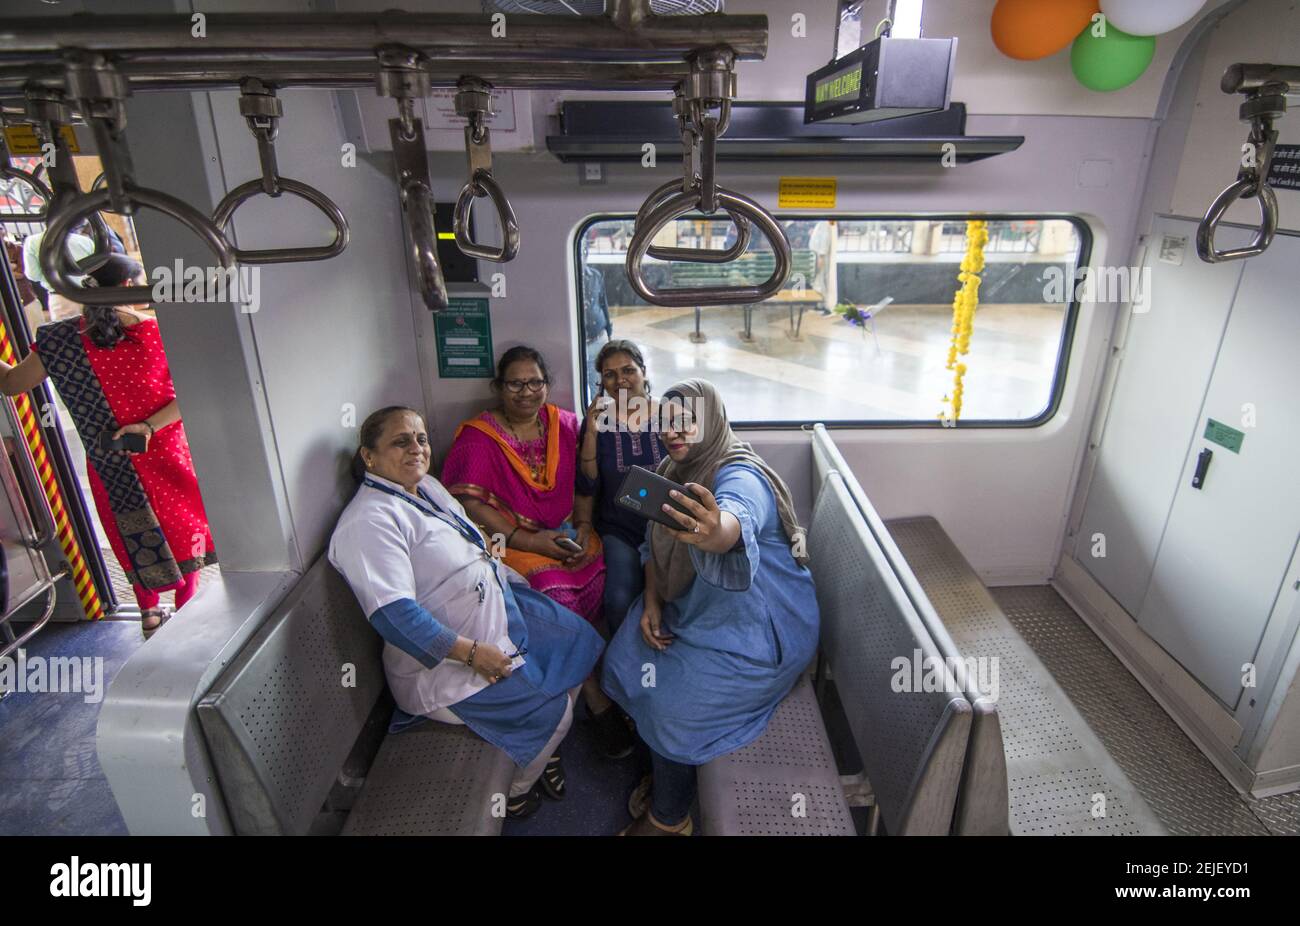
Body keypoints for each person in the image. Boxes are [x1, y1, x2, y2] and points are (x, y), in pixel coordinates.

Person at [330, 406, 603, 818]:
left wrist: (509, 576)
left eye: (420, 438)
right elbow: (394, 616)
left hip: (498, 607)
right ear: (369, 456)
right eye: (400, 441)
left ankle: (539, 751)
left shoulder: (429, 489)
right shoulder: (369, 521)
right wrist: (475, 654)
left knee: (578, 642)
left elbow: (471, 545)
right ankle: (517, 790)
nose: (416, 448)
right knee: (556, 712)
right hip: (451, 661)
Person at [601, 379, 819, 836]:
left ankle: (669, 817)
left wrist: (713, 531)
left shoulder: (741, 473)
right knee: (624, 656)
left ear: (712, 420)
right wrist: (654, 599)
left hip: (759, 628)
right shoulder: (671, 470)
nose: (673, 433)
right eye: (666, 424)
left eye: (686, 423)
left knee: (671, 709)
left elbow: (736, 518)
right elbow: (651, 545)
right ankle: (666, 768)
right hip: (696, 609)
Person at [0, 255, 215, 635]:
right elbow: (192, 393)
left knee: (127, 528)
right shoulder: (159, 333)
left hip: (109, 460)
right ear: (129, 287)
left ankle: (149, 614)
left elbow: (12, 383)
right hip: (164, 451)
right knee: (182, 529)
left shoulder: (58, 341)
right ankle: (187, 612)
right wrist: (148, 426)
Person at [441, 346, 621, 749]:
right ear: (499, 387)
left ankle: (602, 678)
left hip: (566, 529)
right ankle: (594, 698)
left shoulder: (566, 425)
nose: (527, 392)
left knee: (601, 570)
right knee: (553, 591)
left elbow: (585, 483)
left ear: (547, 384)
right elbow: (469, 502)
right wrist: (530, 540)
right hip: (510, 539)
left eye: (535, 382)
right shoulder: (478, 437)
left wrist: (582, 526)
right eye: (516, 383)